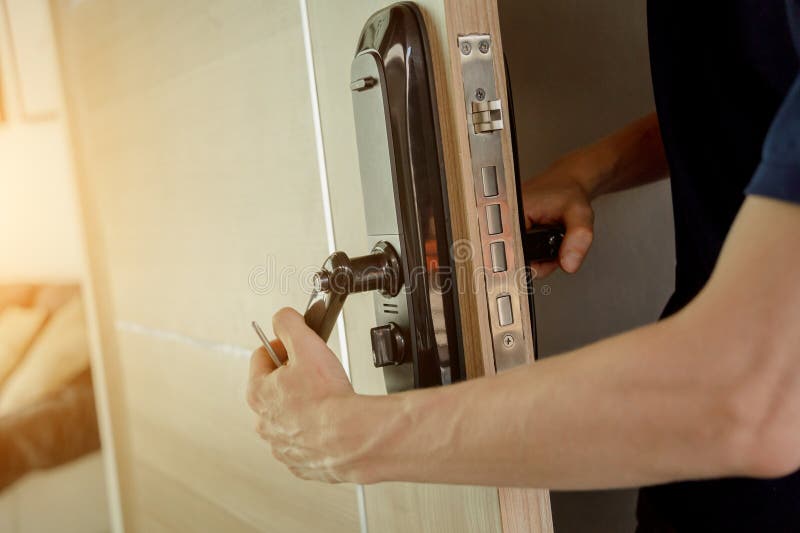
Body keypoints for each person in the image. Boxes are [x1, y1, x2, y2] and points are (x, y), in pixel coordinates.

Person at [247, 2, 800, 531]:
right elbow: (765, 94)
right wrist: (591, 169)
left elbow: (754, 396)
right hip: (692, 497)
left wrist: (350, 436)